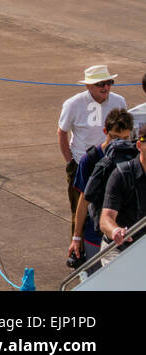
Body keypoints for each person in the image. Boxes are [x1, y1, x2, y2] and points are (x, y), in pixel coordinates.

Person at [59, 65, 128, 238]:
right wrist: (70, 162)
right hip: (83, 163)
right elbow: (62, 132)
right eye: (100, 84)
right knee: (79, 209)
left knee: (112, 207)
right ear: (88, 86)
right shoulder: (73, 104)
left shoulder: (119, 101)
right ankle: (78, 249)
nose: (106, 87)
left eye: (109, 82)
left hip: (112, 163)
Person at [68, 107, 137, 268]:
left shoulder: (134, 158)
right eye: (115, 137)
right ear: (105, 131)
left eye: (126, 138)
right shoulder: (90, 160)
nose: (120, 143)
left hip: (126, 235)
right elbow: (83, 202)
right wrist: (76, 238)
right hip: (95, 236)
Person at [100, 123, 146, 252]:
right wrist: (115, 231)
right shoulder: (121, 175)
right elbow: (106, 218)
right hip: (118, 249)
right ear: (139, 146)